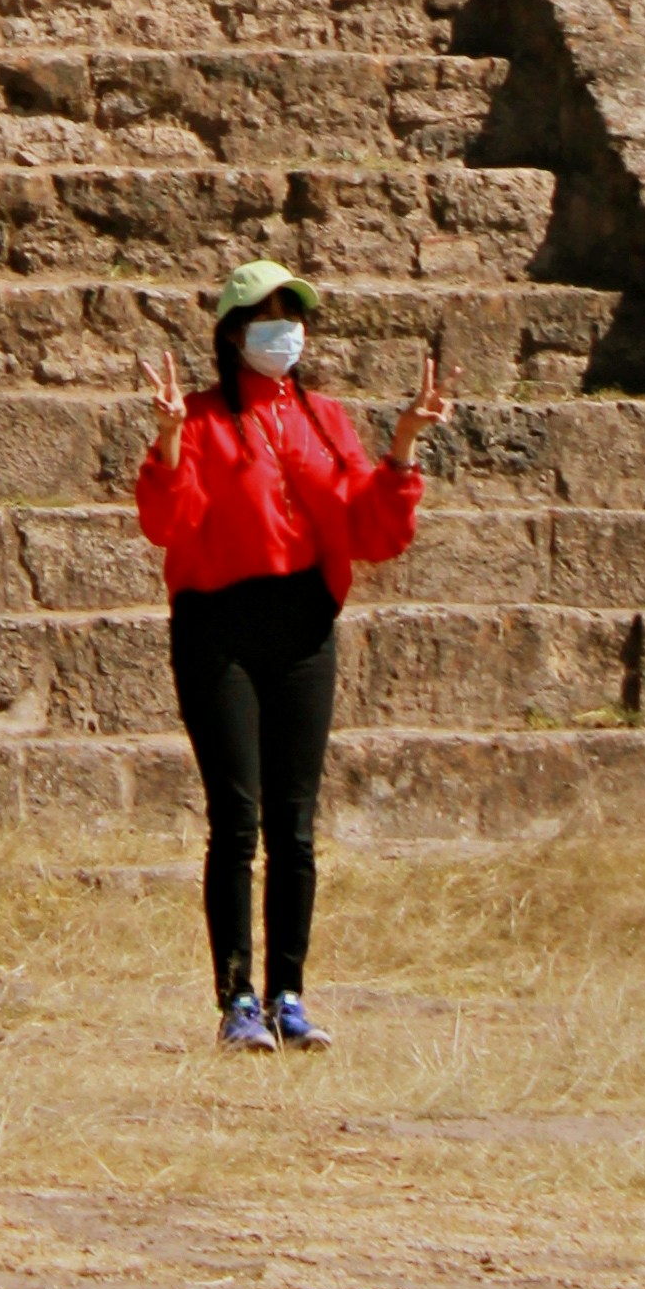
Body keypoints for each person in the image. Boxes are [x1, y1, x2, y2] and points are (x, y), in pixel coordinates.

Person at [136, 254, 441, 1051]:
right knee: (237, 823)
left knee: (295, 827)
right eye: (269, 315)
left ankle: (290, 995)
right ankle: (237, 1002)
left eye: (294, 314)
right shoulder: (200, 418)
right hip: (218, 628)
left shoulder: (325, 418)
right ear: (234, 334)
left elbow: (370, 527)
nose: (286, 329)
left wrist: (402, 446)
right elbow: (169, 522)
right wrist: (168, 445)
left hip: (302, 626)